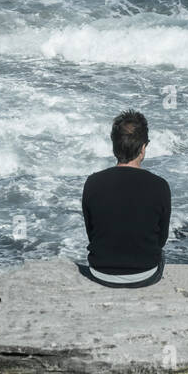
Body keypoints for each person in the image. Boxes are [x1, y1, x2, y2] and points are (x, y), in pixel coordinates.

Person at [80, 110, 171, 288]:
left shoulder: (93, 183)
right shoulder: (160, 185)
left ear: (114, 146)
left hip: (100, 272)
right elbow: (161, 239)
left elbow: (92, 233)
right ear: (143, 147)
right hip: (145, 273)